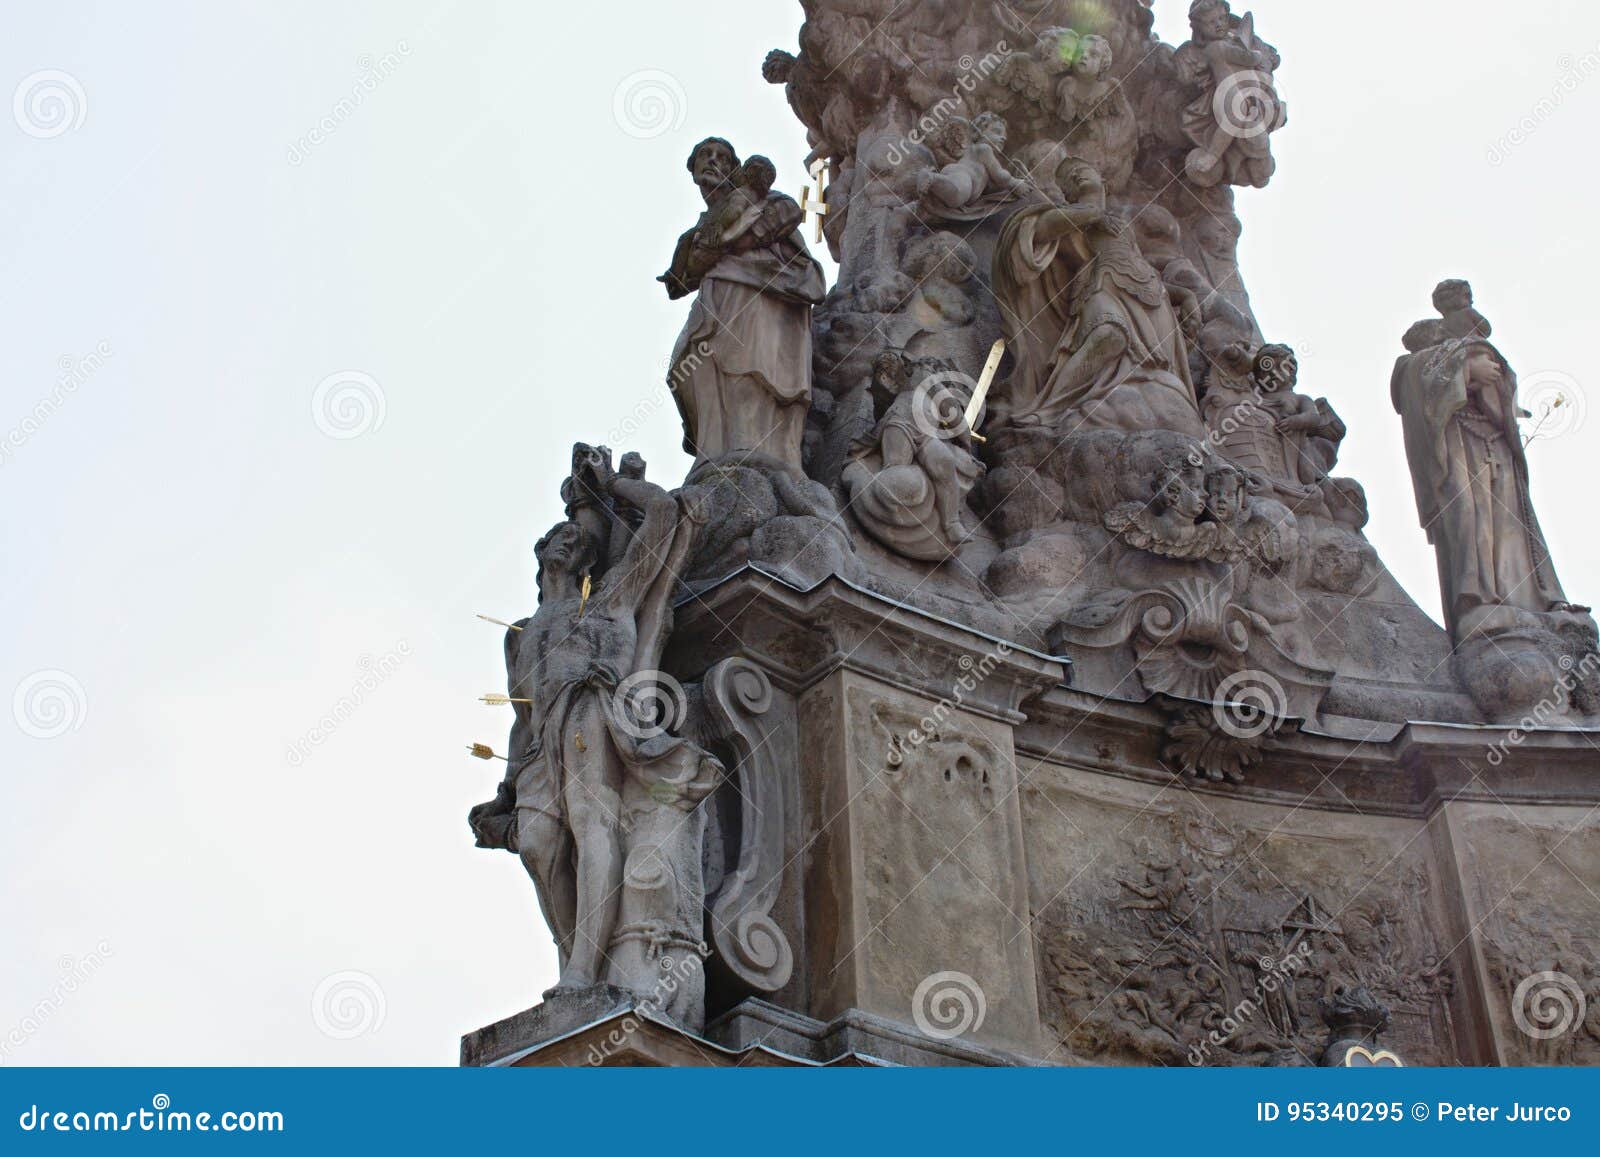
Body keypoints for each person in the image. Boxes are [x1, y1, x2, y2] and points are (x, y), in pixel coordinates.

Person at [661, 138, 826, 472]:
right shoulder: (699, 230)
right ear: (692, 171)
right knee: (690, 368)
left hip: (758, 297)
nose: (712, 162)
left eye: (722, 157)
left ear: (735, 169)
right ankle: (715, 455)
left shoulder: (768, 202)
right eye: (704, 156)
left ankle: (753, 454)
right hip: (716, 297)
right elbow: (681, 278)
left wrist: (724, 243)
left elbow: (783, 219)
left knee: (749, 368)